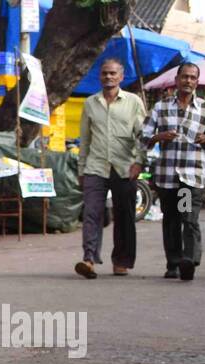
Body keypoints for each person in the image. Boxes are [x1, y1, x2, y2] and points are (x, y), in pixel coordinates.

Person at [141, 62, 205, 281]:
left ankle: (189, 260)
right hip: (168, 177)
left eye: (193, 78)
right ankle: (173, 263)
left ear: (197, 82)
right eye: (185, 77)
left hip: (190, 177)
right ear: (176, 80)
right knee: (172, 220)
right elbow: (143, 136)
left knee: (188, 217)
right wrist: (158, 137)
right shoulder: (161, 107)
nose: (188, 81)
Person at [75, 58, 145, 279]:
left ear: (121, 77)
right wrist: (81, 169)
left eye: (113, 73)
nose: (108, 77)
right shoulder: (90, 103)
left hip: (125, 166)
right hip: (96, 166)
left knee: (124, 216)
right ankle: (89, 259)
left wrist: (139, 162)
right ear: (100, 76)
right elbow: (84, 140)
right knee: (91, 213)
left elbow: (142, 136)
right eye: (105, 73)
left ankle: (121, 261)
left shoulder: (133, 102)